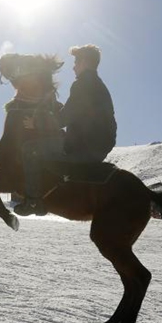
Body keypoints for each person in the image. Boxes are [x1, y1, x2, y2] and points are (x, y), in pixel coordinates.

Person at [13, 45, 117, 216]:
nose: (73, 66)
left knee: (29, 149)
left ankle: (33, 201)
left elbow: (66, 116)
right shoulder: (99, 86)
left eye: (76, 61)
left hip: (83, 147)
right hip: (99, 147)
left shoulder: (83, 84)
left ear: (84, 62)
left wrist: (36, 122)